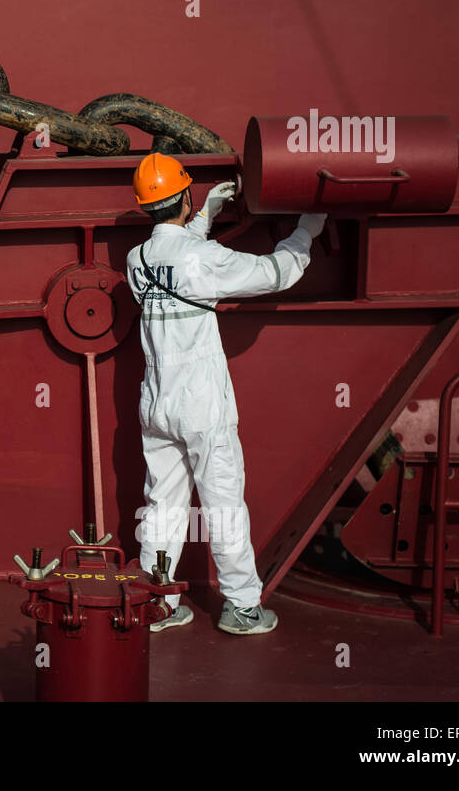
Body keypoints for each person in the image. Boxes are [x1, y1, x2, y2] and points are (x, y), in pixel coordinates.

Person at [126, 150, 326, 635]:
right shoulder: (203, 257)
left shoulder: (136, 261)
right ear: (183, 193)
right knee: (223, 503)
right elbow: (277, 273)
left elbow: (176, 261)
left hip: (156, 403)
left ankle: (159, 603)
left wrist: (205, 216)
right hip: (202, 406)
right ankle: (242, 607)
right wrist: (307, 232)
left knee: (162, 504)